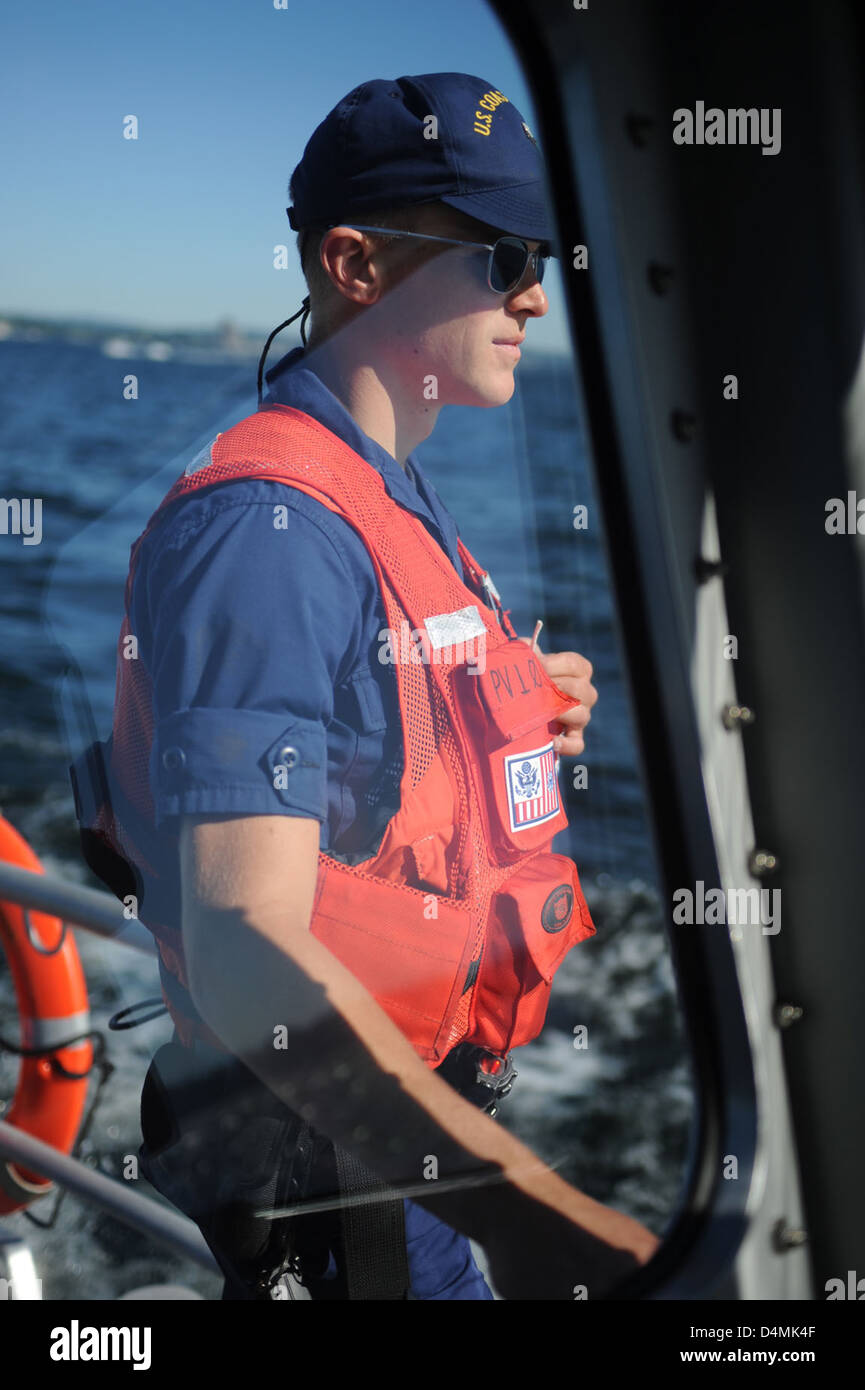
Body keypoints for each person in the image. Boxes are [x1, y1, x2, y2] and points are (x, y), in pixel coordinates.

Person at [73, 72, 660, 1300]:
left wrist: (500, 698)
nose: (534, 296)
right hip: (358, 1205)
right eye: (501, 257)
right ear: (355, 263)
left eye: (539, 258)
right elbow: (243, 941)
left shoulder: (379, 485)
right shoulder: (269, 529)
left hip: (413, 1159)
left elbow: (370, 752)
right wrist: (522, 1214)